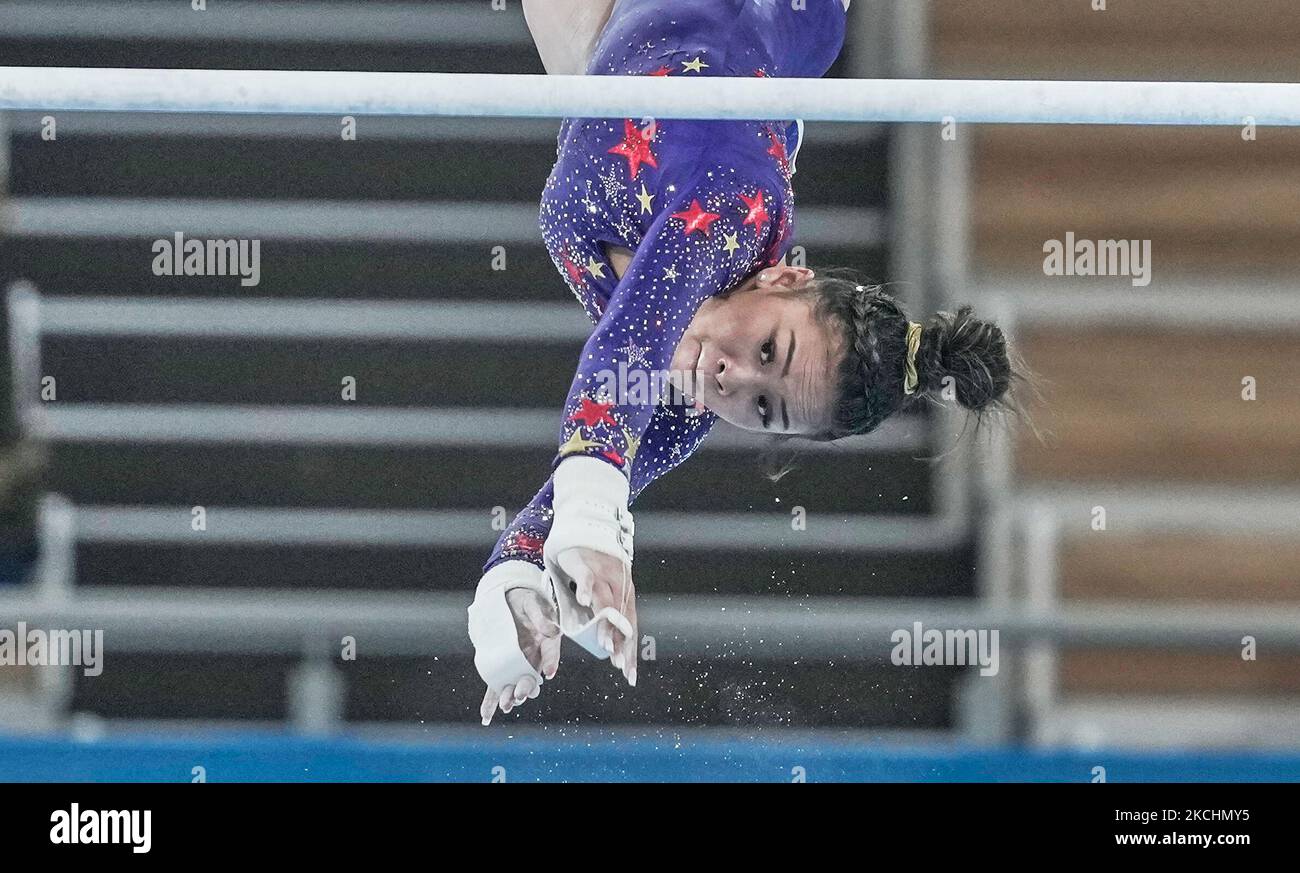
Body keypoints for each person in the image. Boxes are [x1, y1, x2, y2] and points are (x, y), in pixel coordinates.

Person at [468, 0, 1021, 725]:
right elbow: (628, 345)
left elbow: (560, 504)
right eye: (769, 350)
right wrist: (593, 522)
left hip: (641, 40)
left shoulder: (679, 408)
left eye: (764, 407)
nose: (733, 377)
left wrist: (518, 591)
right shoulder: (730, 210)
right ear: (784, 275)